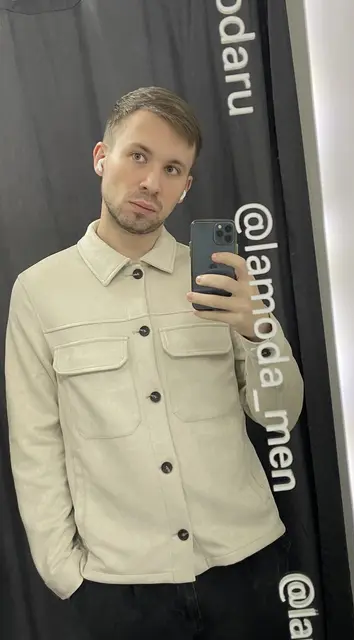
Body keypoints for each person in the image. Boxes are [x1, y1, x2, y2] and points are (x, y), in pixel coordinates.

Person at [5, 86, 304, 639]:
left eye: (172, 169)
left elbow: (279, 413)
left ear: (186, 187)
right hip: (121, 589)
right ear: (103, 157)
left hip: (246, 567)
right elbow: (34, 442)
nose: (151, 182)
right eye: (138, 156)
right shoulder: (39, 292)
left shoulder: (220, 282)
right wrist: (64, 571)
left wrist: (256, 329)